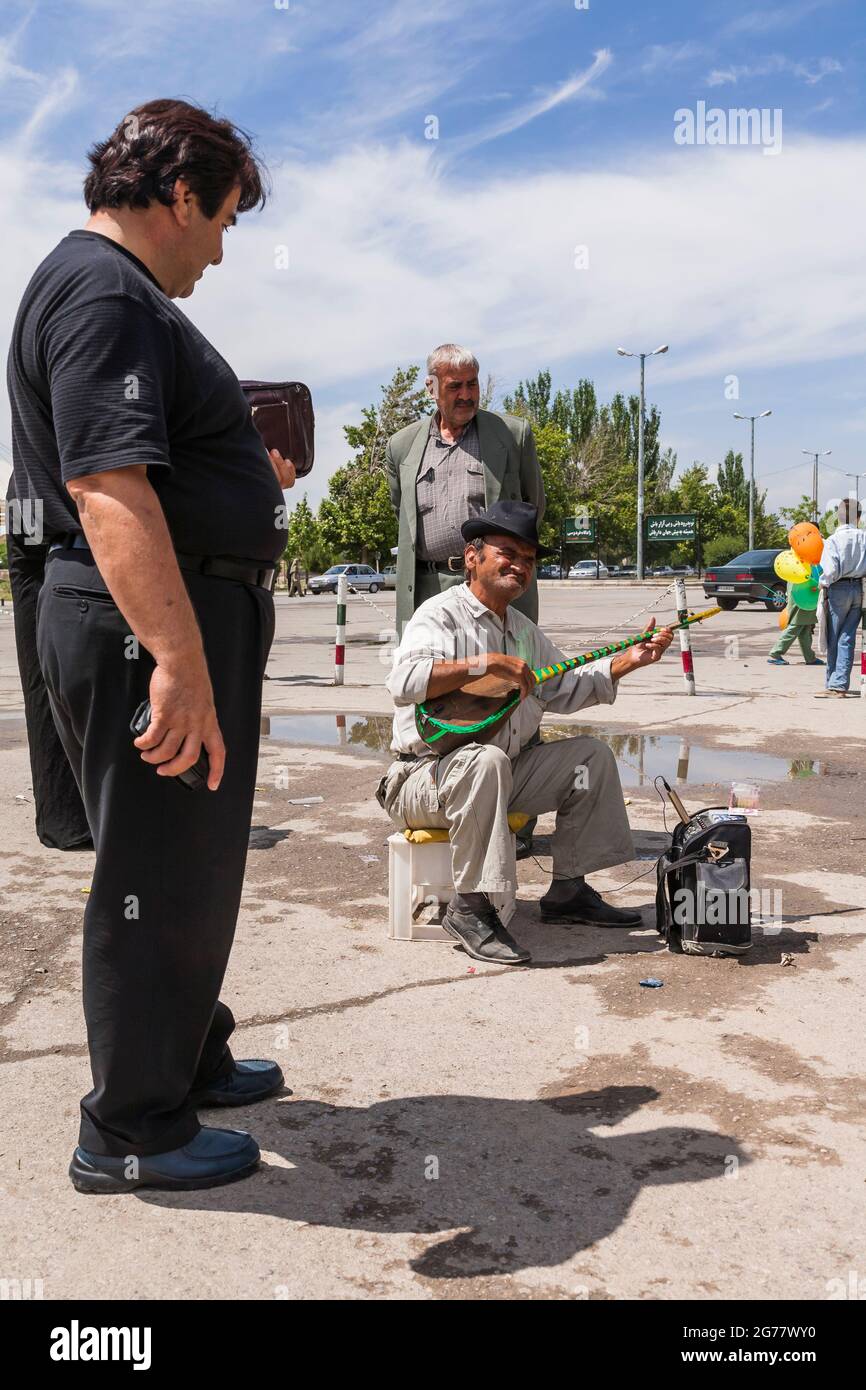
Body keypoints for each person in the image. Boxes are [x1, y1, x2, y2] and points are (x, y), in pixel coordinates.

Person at [7, 98, 298, 1193]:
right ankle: (129, 1129)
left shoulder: (109, 293)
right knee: (157, 874)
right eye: (222, 220)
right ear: (179, 196)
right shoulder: (103, 290)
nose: (222, 249)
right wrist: (177, 660)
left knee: (188, 866)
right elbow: (107, 488)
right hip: (147, 632)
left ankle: (185, 1058)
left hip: (160, 619)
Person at [377, 501, 673, 965]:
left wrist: (629, 661)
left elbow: (564, 686)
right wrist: (483, 664)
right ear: (472, 557)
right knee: (486, 761)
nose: (520, 565)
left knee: (589, 759)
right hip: (423, 781)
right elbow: (403, 682)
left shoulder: (523, 631)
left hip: (497, 778)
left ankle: (568, 891)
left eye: (530, 559)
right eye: (508, 552)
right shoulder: (439, 616)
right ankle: (471, 907)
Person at [384, 344, 545, 637]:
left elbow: (532, 508)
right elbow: (402, 516)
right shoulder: (401, 446)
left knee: (496, 677)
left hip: (491, 588)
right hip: (427, 591)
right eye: (455, 386)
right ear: (431, 388)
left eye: (472, 384)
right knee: (432, 677)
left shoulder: (513, 435)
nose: (466, 395)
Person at [5, 476, 92, 849]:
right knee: (78, 658)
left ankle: (62, 816)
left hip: (25, 494)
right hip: (62, 495)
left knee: (38, 668)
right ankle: (87, 813)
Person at [815, 499, 866, 698]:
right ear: (859, 517)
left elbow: (830, 570)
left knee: (834, 636)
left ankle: (834, 684)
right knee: (848, 637)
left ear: (838, 516)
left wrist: (821, 584)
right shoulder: (864, 537)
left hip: (838, 589)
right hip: (859, 589)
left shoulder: (833, 540)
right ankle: (840, 683)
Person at [767, 581, 822, 667]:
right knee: (795, 626)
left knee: (805, 629)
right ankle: (775, 653)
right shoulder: (803, 569)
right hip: (802, 599)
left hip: (803, 597)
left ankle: (810, 657)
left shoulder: (798, 569)